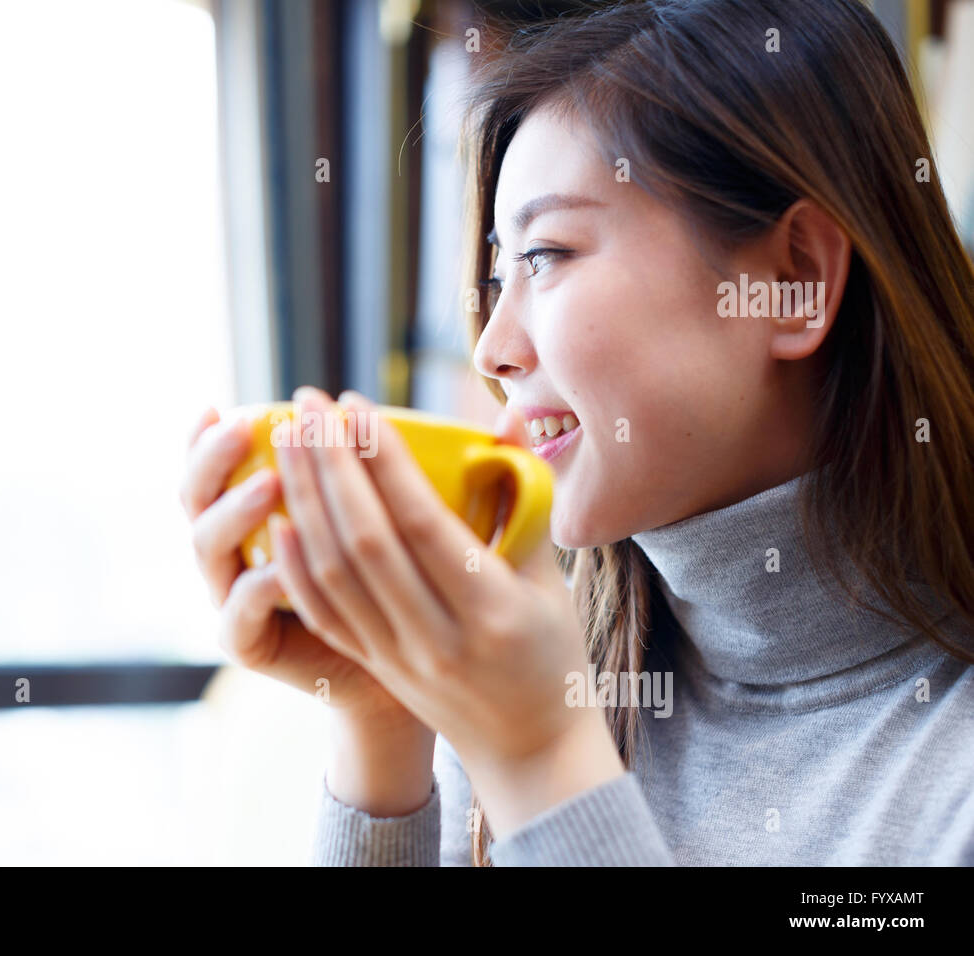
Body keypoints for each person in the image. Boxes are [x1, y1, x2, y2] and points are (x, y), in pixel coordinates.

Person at [179, 0, 974, 866]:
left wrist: (542, 757)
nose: (492, 349)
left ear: (793, 279)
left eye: (547, 255)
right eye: (494, 277)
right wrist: (382, 720)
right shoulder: (530, 672)